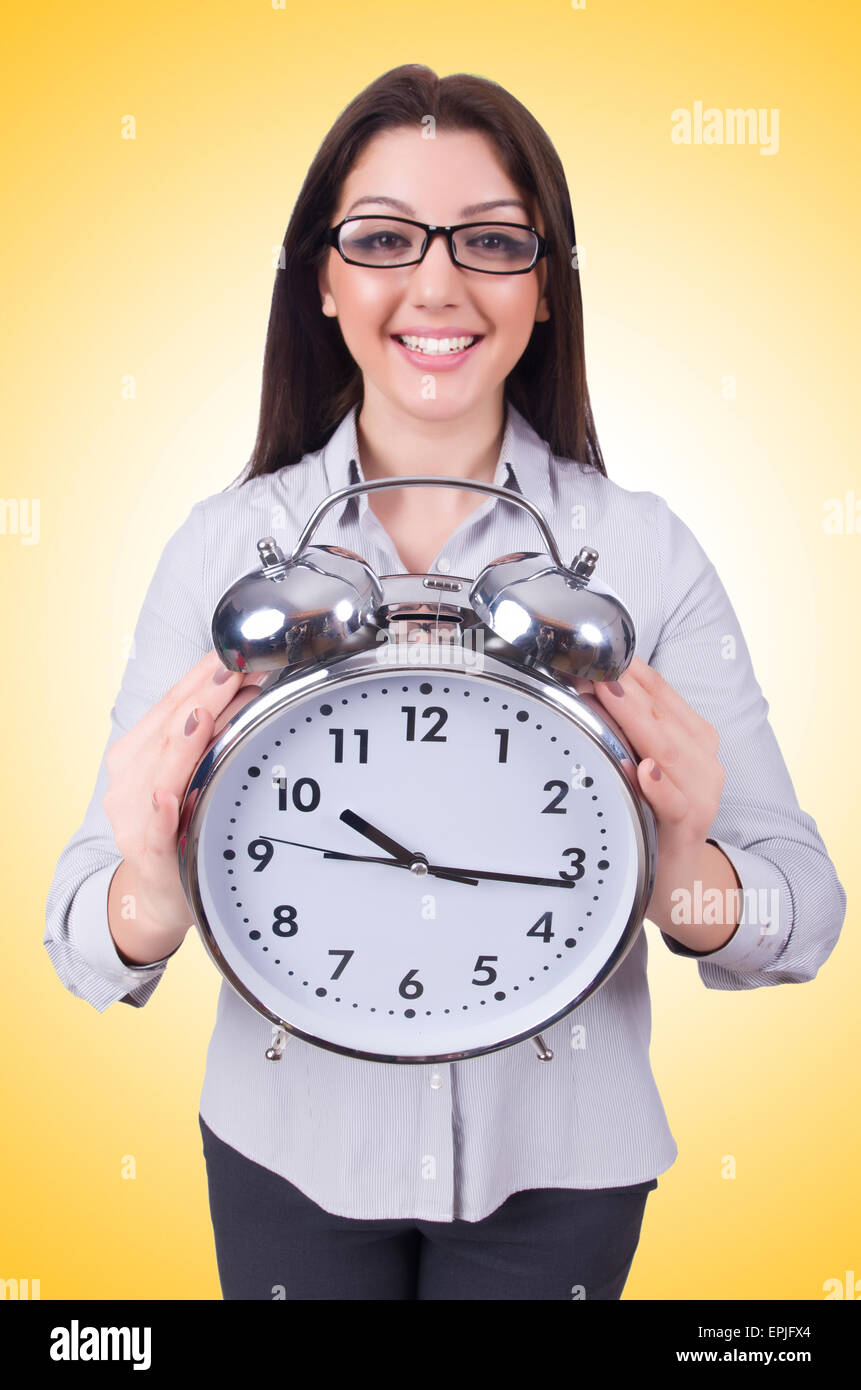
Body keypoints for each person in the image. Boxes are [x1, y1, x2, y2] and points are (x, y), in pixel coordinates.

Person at [44, 63, 846, 1301]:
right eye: (382, 240)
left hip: (563, 1163)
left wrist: (685, 863)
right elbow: (84, 934)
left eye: (490, 241)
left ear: (544, 284)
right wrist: (151, 874)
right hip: (285, 1153)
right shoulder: (223, 549)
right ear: (323, 277)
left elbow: (802, 912)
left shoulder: (640, 553)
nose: (436, 285)